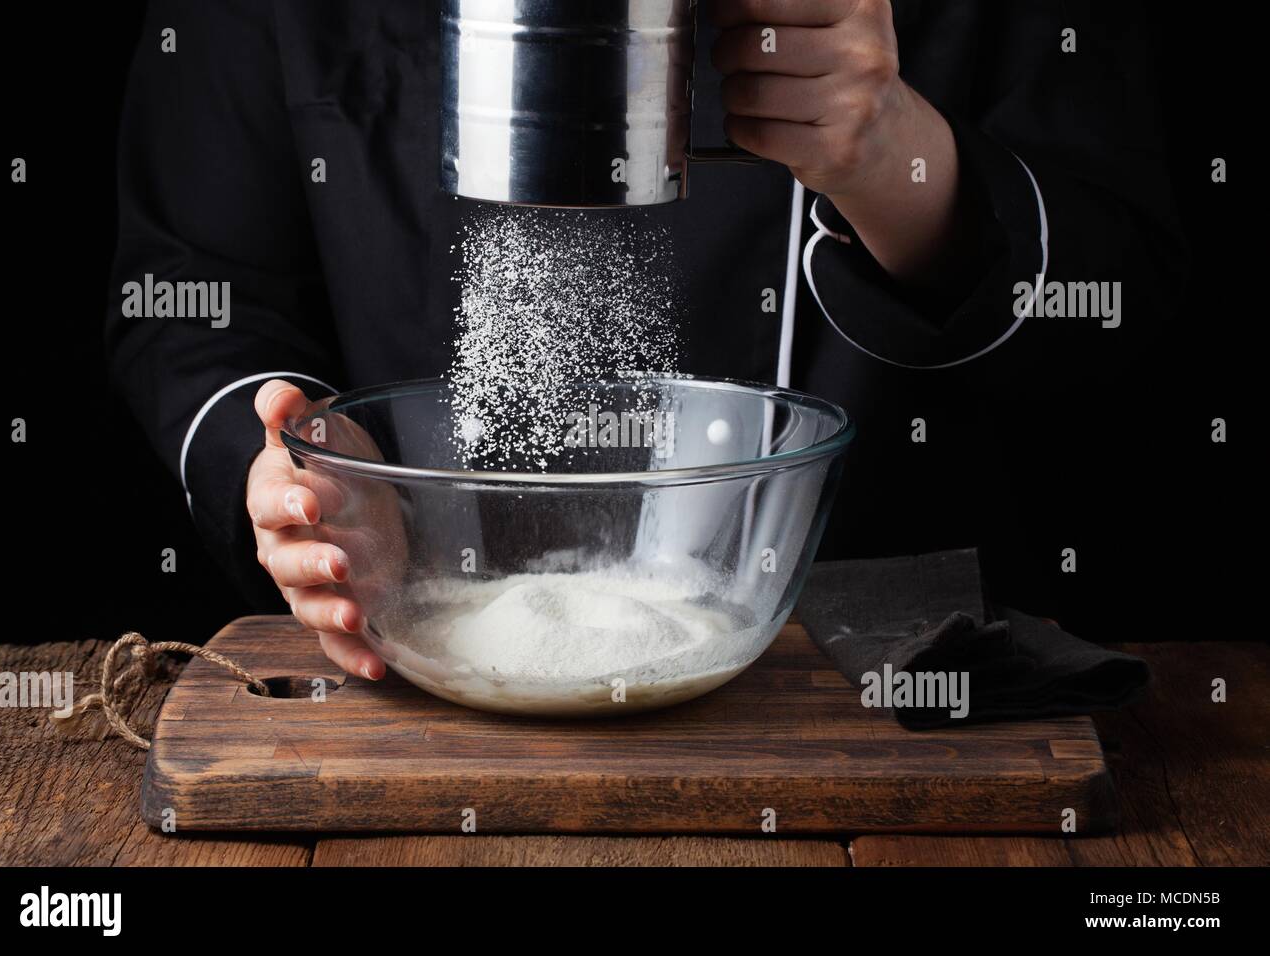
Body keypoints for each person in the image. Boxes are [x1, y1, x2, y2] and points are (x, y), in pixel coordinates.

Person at [108, 0, 1182, 679]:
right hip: (411, 653)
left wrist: (899, 157)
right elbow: (193, 295)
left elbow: (1130, 321)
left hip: (882, 676)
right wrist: (303, 470)